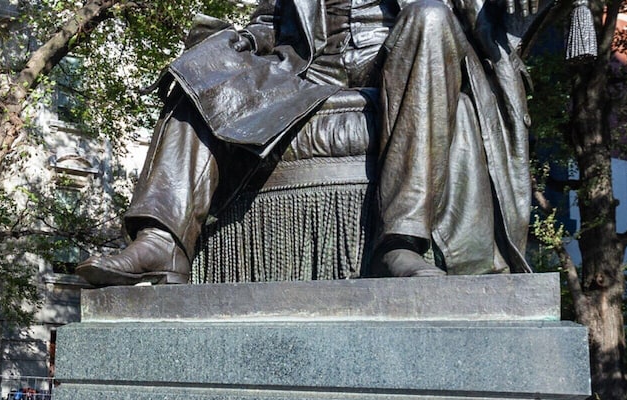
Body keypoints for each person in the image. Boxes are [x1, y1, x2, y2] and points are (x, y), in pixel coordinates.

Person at [76, 0, 539, 286]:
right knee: (203, 64)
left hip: (409, 51)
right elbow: (272, 20)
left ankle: (400, 243)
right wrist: (241, 40)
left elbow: (495, 14)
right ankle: (163, 239)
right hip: (314, 70)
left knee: (431, 12)